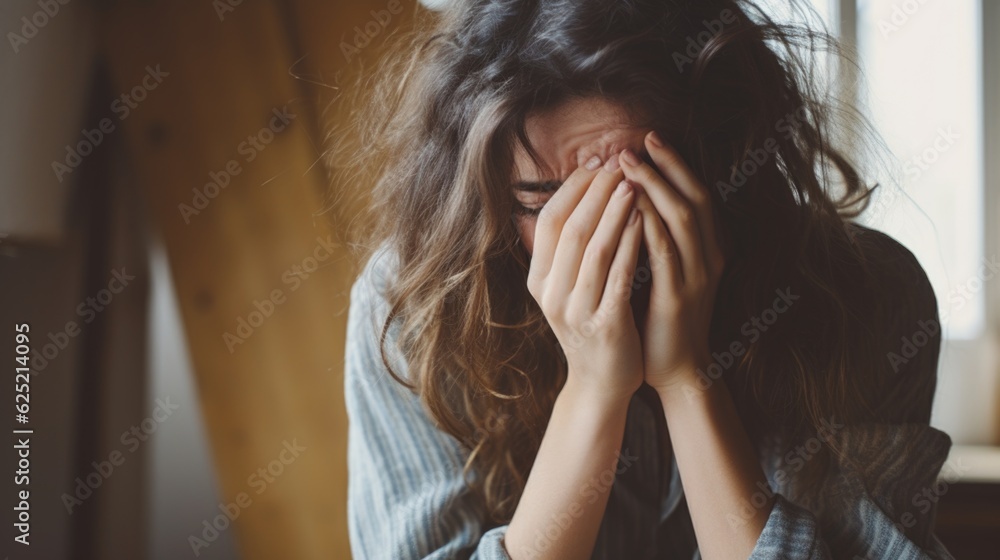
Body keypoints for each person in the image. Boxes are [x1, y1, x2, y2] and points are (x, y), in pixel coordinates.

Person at [340, 0, 955, 558]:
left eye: (650, 186)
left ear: (730, 167)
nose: (602, 237)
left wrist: (689, 378)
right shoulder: (415, 307)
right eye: (543, 199)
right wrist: (593, 388)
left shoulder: (868, 295)